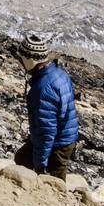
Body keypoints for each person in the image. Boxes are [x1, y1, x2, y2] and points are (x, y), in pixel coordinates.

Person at [12, 33, 79, 180]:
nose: (21, 64)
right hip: (66, 136)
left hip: (58, 143)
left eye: (22, 60)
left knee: (53, 183)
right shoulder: (59, 73)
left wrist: (40, 164)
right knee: (22, 158)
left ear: (29, 61)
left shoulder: (42, 90)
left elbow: (46, 132)